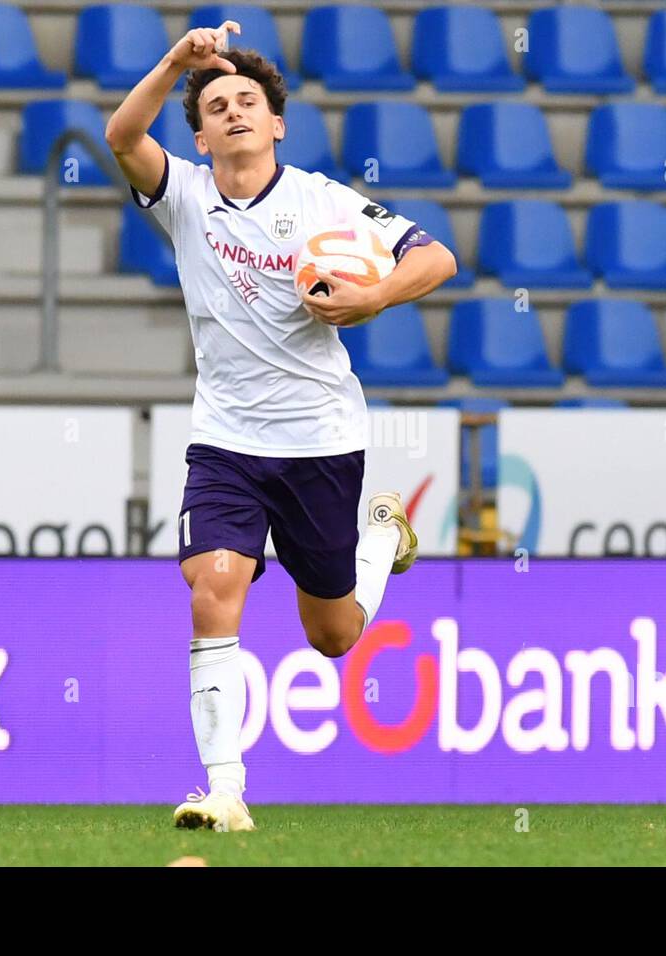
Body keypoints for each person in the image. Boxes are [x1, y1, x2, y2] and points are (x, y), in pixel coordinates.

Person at [105, 21, 457, 831]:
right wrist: (173, 63)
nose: (232, 112)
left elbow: (435, 259)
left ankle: (377, 533)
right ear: (199, 133)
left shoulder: (325, 202)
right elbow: (122, 135)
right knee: (213, 588)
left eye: (247, 102)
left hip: (321, 444)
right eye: (217, 105)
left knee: (331, 638)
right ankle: (224, 789)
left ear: (276, 124)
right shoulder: (185, 196)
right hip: (226, 440)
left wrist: (373, 297)